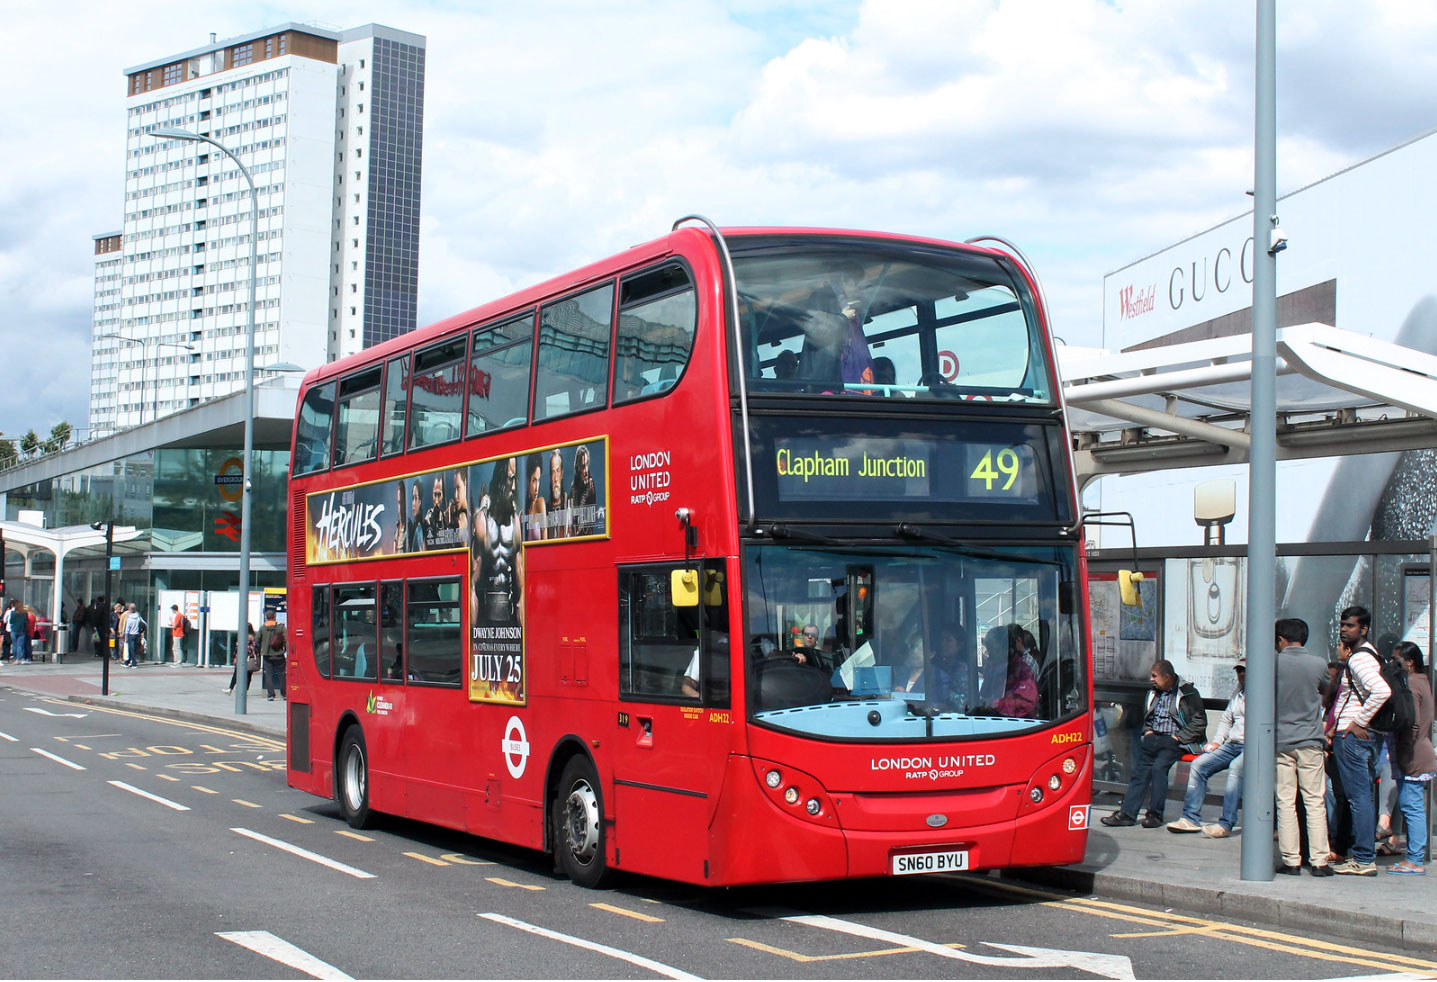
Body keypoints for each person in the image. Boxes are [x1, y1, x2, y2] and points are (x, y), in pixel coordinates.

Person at [1102, 660, 1206, 828]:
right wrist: (1148, 731)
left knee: (1158, 769)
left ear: (1167, 677)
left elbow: (1199, 722)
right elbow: (1148, 716)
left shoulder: (1187, 693)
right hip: (1154, 737)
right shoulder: (1153, 693)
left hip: (1175, 741)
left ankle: (1155, 814)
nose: (1152, 679)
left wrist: (1178, 738)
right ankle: (1127, 813)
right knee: (1140, 772)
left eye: (1154, 676)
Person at [1329, 604, 1392, 875]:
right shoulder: (1369, 655)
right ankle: (1362, 855)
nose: (1344, 630)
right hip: (1358, 735)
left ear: (1363, 629)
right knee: (1361, 796)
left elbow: (1381, 691)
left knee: (1358, 797)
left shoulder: (1359, 659)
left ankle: (1364, 858)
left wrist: (1358, 722)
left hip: (1354, 737)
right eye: (1342, 625)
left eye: (1350, 626)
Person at [1271, 618, 1335, 875]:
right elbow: (1326, 689)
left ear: (1280, 640)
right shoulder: (1318, 663)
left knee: (1285, 801)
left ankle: (1291, 860)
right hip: (1310, 740)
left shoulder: (1272, 663)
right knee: (1314, 801)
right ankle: (1319, 861)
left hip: (1281, 741)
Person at [1169, 660, 1245, 837]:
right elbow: (1226, 719)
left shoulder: (1264, 691)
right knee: (1199, 765)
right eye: (1239, 670)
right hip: (1233, 744)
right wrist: (1217, 742)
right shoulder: (1238, 691)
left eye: (1245, 670)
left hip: (1253, 746)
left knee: (1235, 768)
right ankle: (1190, 818)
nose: (1241, 674)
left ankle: (1226, 823)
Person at [1387, 641, 1434, 876]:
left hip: (1413, 754)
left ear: (1410, 662)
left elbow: (1412, 723)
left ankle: (1414, 859)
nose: (1392, 664)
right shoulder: (1423, 681)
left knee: (1411, 806)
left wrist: (1403, 750)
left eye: (1397, 661)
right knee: (1411, 805)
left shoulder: (1413, 684)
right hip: (1418, 752)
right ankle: (1413, 857)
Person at [972, 625, 1038, 718]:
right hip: (992, 718)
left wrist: (994, 704)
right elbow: (984, 693)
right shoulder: (992, 667)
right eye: (988, 650)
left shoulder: (1022, 671)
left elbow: (1025, 703)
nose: (989, 654)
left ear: (1005, 649)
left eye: (992, 650)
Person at [258, 612, 287, 702]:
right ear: (274, 616)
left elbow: (257, 639)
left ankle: (271, 695)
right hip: (279, 654)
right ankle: (284, 694)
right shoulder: (280, 627)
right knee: (282, 674)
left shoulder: (263, 627)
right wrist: (285, 649)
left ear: (266, 617)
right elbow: (286, 638)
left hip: (267, 654)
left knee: (269, 675)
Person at [570, 444, 598, 536]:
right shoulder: (573, 487)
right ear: (578, 468)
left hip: (586, 536)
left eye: (586, 465)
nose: (586, 470)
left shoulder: (590, 485)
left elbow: (589, 520)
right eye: (583, 467)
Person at [225, 623, 258, 695]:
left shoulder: (248, 638)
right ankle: (243, 690)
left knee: (238, 674)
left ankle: (231, 689)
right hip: (248, 658)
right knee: (247, 675)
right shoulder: (252, 637)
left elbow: (252, 648)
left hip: (246, 658)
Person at [523, 453, 548, 542]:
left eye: (538, 480)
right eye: (534, 480)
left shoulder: (540, 503)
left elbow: (545, 541)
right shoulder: (524, 509)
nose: (537, 488)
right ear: (528, 480)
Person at [121, 602, 146, 668]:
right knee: (133, 648)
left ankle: (134, 663)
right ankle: (127, 662)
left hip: (131, 635)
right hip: (137, 634)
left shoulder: (130, 619)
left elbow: (127, 628)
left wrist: (126, 636)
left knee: (131, 649)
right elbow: (143, 624)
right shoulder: (138, 617)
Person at [392, 482, 408, 553]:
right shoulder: (396, 531)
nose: (400, 508)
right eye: (399, 503)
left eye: (402, 503)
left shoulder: (409, 529)